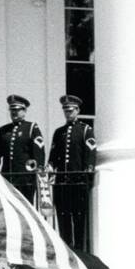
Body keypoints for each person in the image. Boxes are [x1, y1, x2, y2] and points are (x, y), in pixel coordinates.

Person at [48, 94, 96, 250]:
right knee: (63, 216)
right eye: (65, 111)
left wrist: (88, 174)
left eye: (70, 110)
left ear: (77, 110)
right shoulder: (58, 132)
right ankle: (66, 247)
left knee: (79, 217)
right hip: (62, 183)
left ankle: (80, 250)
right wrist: (49, 168)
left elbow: (90, 154)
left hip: (78, 183)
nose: (68, 113)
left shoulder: (85, 130)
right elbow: (53, 157)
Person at [0, 94, 45, 203]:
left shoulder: (31, 128)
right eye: (12, 110)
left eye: (17, 110)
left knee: (26, 207)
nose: (14, 112)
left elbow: (39, 154)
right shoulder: (3, 130)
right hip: (7, 178)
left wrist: (38, 173)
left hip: (26, 179)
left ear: (24, 111)